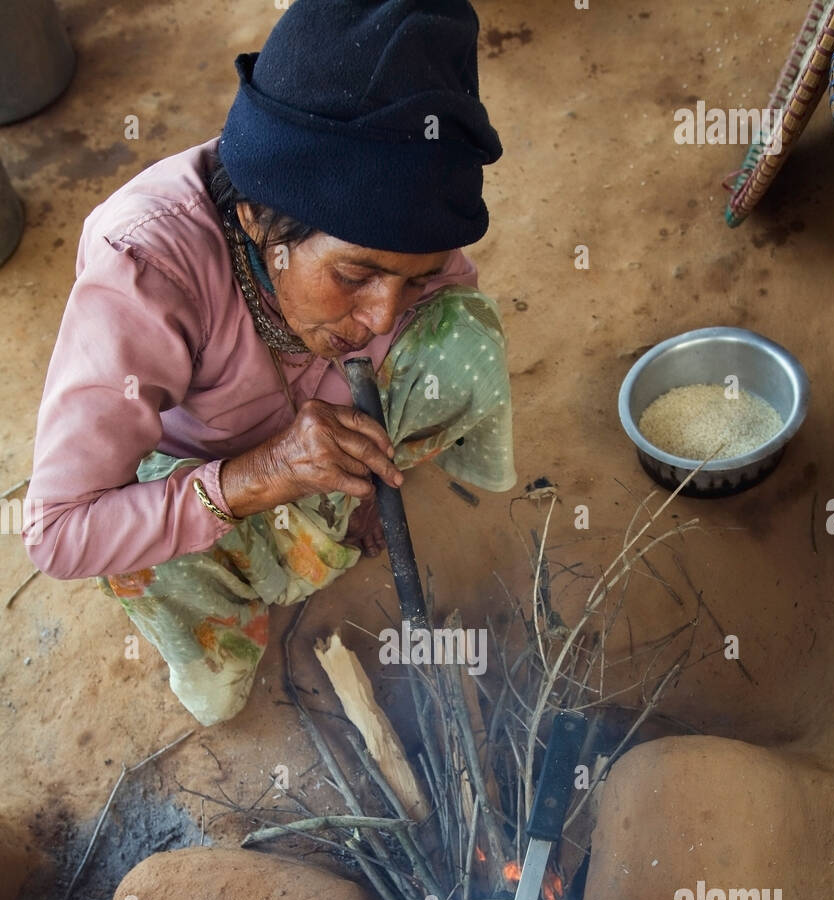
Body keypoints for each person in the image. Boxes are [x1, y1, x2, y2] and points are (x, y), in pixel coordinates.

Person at [23, 0, 515, 725]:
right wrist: (260, 476)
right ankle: (222, 619)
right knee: (207, 673)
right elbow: (58, 532)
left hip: (312, 436)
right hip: (204, 473)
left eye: (410, 276)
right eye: (355, 276)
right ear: (257, 219)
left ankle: (341, 501)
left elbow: (446, 289)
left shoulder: (391, 224)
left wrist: (368, 454)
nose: (382, 315)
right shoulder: (146, 270)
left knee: (461, 333)